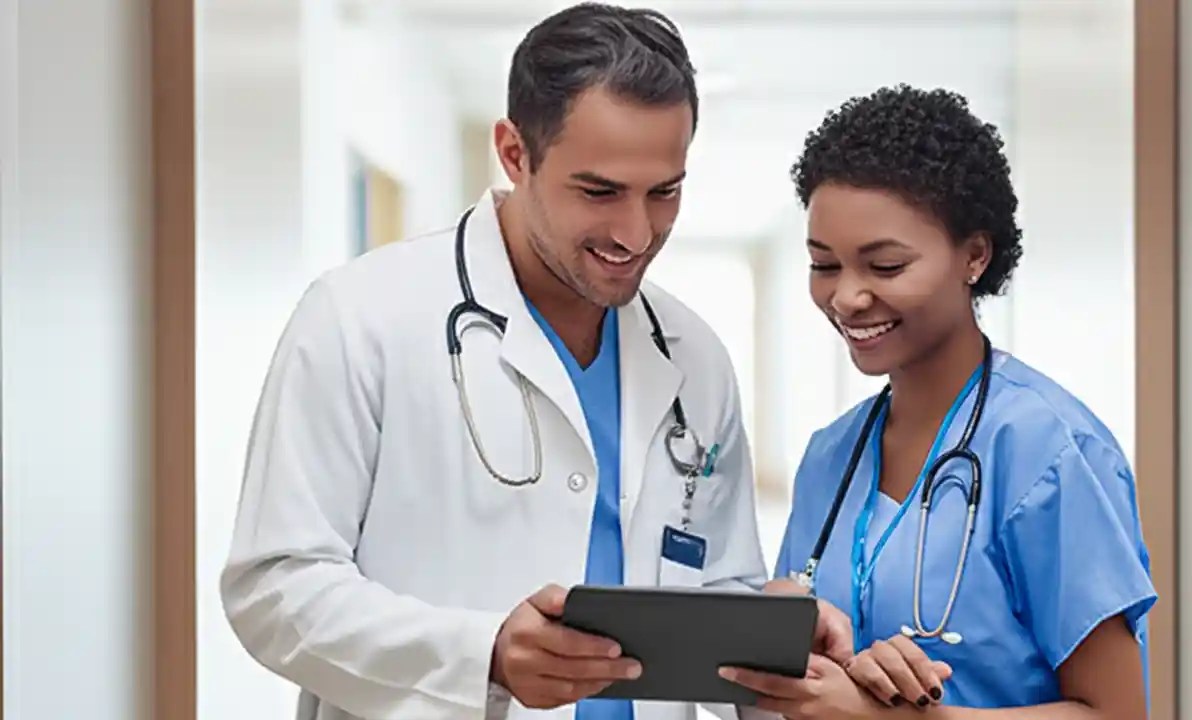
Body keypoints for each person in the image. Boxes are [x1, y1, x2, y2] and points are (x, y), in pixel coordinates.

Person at [221, 4, 849, 720]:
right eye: (599, 191)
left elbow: (717, 585)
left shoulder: (694, 357)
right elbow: (275, 589)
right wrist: (483, 653)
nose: (636, 232)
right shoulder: (360, 319)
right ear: (514, 153)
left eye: (664, 191)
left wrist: (772, 636)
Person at [719, 85, 1158, 719]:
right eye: (825, 265)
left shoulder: (1048, 451)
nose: (846, 298)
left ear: (974, 255)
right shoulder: (830, 458)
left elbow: (1115, 713)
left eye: (886, 267)